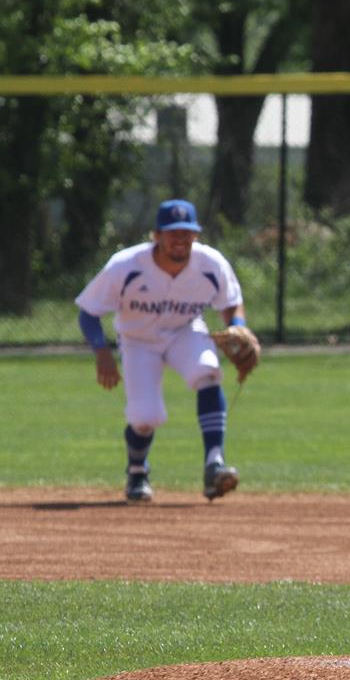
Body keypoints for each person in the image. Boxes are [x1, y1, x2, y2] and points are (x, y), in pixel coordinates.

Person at [76, 199, 247, 503]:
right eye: (172, 233)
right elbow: (88, 311)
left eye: (187, 233)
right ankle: (137, 471)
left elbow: (230, 302)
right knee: (145, 416)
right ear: (156, 235)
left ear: (196, 235)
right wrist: (102, 352)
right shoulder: (125, 265)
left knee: (208, 370)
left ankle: (214, 465)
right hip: (137, 339)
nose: (180, 240)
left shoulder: (211, 263)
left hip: (186, 331)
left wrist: (237, 326)